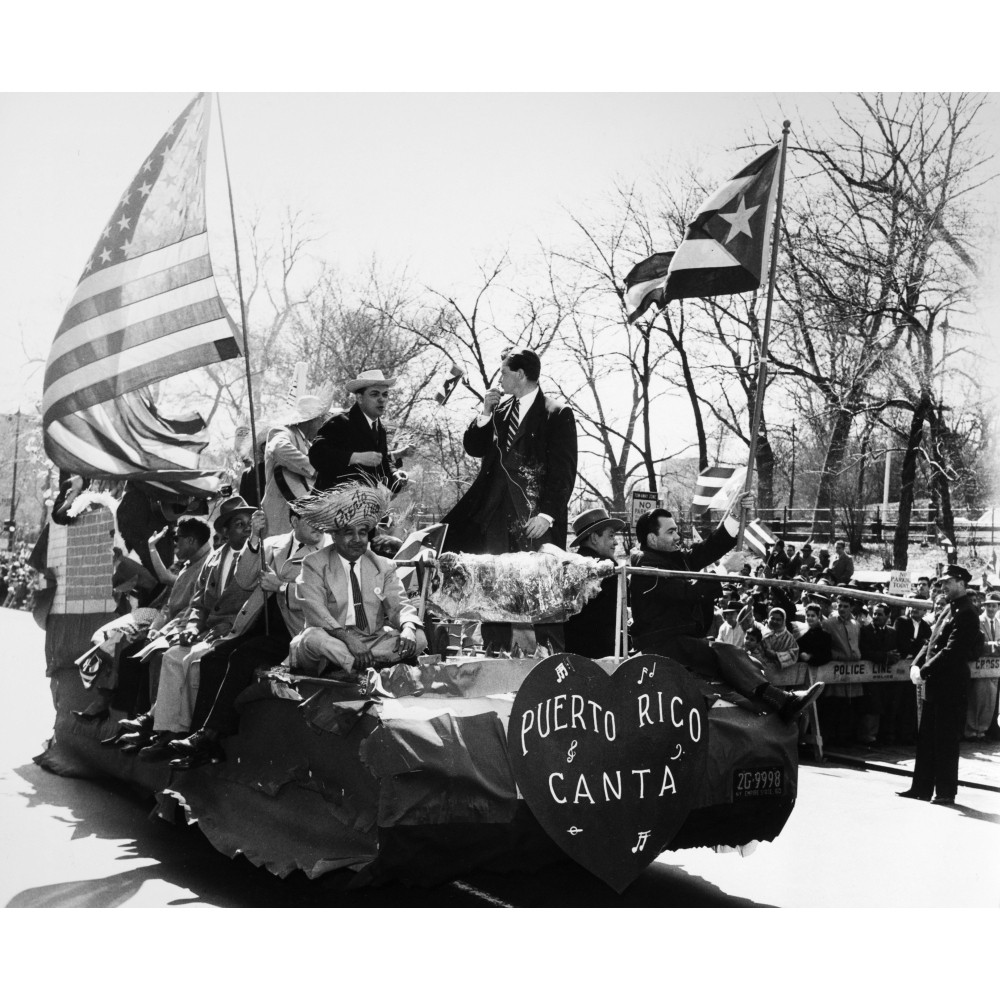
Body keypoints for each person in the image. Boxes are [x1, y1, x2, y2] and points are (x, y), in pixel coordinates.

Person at [629, 492, 823, 723]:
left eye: (677, 530)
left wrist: (735, 514)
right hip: (662, 644)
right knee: (725, 651)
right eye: (670, 532)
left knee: (741, 658)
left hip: (681, 642)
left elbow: (710, 547)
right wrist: (724, 569)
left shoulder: (671, 557)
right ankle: (782, 702)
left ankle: (775, 706)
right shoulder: (645, 567)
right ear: (652, 539)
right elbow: (687, 593)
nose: (678, 536)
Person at [166, 506, 330, 769]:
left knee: (243, 656)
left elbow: (324, 597)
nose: (321, 526)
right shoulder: (271, 543)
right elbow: (243, 578)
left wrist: (282, 586)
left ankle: (210, 736)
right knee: (213, 657)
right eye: (314, 520)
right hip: (257, 623)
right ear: (295, 520)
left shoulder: (329, 551)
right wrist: (254, 537)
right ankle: (200, 742)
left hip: (296, 632)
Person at [135, 497, 260, 760]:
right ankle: (167, 732)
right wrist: (192, 626)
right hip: (207, 631)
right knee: (171, 657)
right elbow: (198, 605)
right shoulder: (213, 560)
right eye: (239, 524)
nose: (247, 529)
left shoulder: (260, 556)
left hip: (238, 632)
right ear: (225, 531)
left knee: (195, 661)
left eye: (250, 523)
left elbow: (258, 605)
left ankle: (188, 734)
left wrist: (230, 624)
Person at [443, 348, 577, 557]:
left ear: (520, 374)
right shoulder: (499, 410)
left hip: (534, 522)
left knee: (533, 583)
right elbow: (474, 448)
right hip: (492, 517)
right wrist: (485, 412)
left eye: (503, 373)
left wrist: (546, 515)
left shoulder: (557, 413)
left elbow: (564, 473)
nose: (500, 379)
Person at [288, 481, 427, 674]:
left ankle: (349, 667)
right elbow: (317, 613)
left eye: (362, 533)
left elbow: (399, 606)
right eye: (348, 533)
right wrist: (348, 639)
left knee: (418, 637)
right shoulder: (314, 563)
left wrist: (408, 627)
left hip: (372, 641)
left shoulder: (382, 565)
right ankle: (369, 665)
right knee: (312, 639)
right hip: (334, 639)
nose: (357, 539)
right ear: (334, 536)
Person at [899, 565, 981, 804]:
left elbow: (953, 651)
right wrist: (916, 664)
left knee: (945, 740)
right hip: (935, 684)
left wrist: (924, 670)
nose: (942, 586)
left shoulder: (967, 612)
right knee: (926, 738)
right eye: (942, 582)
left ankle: (945, 792)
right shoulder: (947, 609)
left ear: (962, 584)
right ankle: (921, 788)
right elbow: (931, 641)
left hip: (950, 686)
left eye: (948, 582)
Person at [308, 370, 412, 494]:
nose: (382, 399)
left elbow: (382, 463)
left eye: (385, 394)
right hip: (332, 505)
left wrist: (395, 474)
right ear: (360, 398)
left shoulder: (380, 429)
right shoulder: (339, 421)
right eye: (375, 394)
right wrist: (355, 457)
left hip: (363, 505)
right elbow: (317, 455)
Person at [261, 390, 335, 536]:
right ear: (311, 420)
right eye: (321, 421)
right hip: (280, 515)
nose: (322, 426)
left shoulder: (308, 443)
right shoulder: (283, 432)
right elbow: (278, 448)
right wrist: (315, 469)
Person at [562, 507, 624, 659]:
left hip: (572, 651)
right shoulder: (607, 567)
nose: (615, 542)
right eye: (611, 536)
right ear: (594, 538)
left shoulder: (568, 564)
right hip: (605, 654)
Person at [859, 603, 900, 745]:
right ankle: (870, 736)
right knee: (872, 705)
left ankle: (885, 735)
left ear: (888, 616)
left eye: (880, 614)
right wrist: (884, 656)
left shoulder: (892, 632)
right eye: (874, 614)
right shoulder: (865, 631)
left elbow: (895, 652)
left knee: (888, 704)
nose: (876, 617)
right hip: (870, 675)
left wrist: (892, 657)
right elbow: (864, 651)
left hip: (887, 676)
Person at [965, 591, 1000, 740]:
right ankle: (972, 730)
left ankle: (982, 730)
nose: (991, 609)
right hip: (979, 665)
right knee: (977, 697)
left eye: (994, 606)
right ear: (984, 606)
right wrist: (993, 646)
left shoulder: (999, 623)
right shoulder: (978, 621)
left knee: (990, 699)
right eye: (988, 606)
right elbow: (975, 643)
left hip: (994, 667)